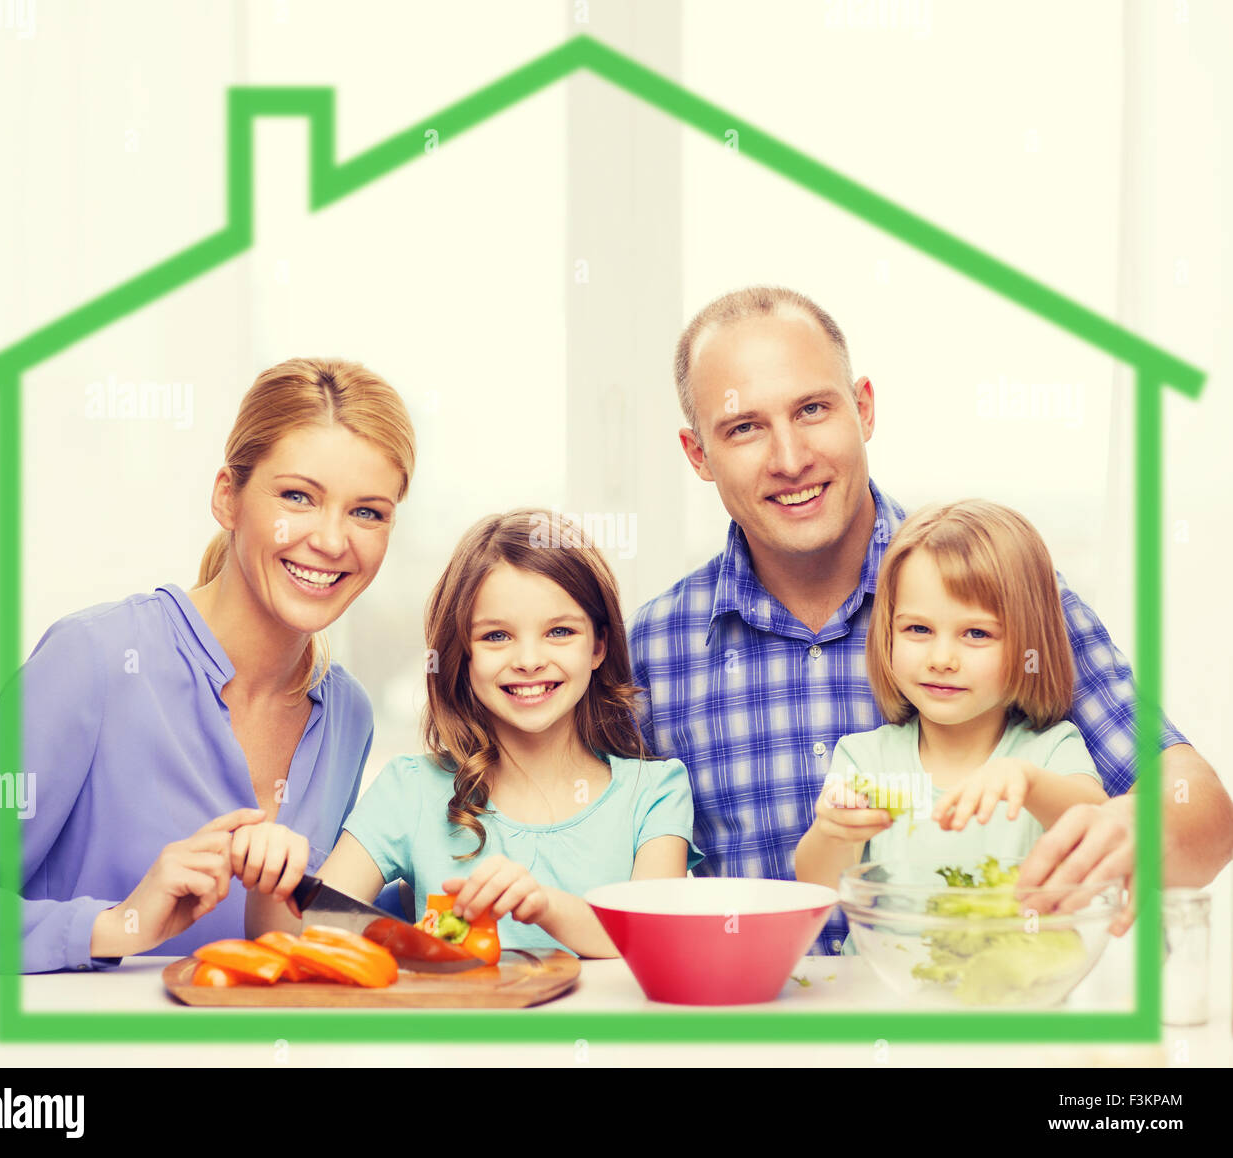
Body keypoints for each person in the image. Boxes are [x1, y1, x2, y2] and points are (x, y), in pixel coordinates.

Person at [628, 286, 1231, 956]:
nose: (791, 458)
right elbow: (585, 853)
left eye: (813, 410)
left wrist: (1142, 828)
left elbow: (1202, 813)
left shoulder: (1000, 594)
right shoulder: (656, 646)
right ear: (697, 455)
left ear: (863, 409)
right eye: (744, 427)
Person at [0, 357, 416, 972]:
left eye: (367, 512)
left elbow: (311, 927)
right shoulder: (95, 660)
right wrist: (115, 924)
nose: (330, 540)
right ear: (227, 497)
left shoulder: (347, 712)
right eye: (298, 496)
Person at [251, 510, 703, 956]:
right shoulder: (410, 791)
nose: (528, 659)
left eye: (560, 631)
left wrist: (542, 906)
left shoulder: (655, 792)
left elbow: (652, 937)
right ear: (462, 654)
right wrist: (269, 879)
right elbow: (303, 938)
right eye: (496, 637)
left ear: (599, 646)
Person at [793, 500, 1107, 891]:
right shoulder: (866, 760)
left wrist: (1029, 783)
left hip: (1017, 953)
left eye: (976, 634)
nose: (941, 660)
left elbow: (1097, 822)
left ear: (1028, 644)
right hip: (885, 954)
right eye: (918, 630)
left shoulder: (1049, 751)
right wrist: (833, 831)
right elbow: (817, 884)